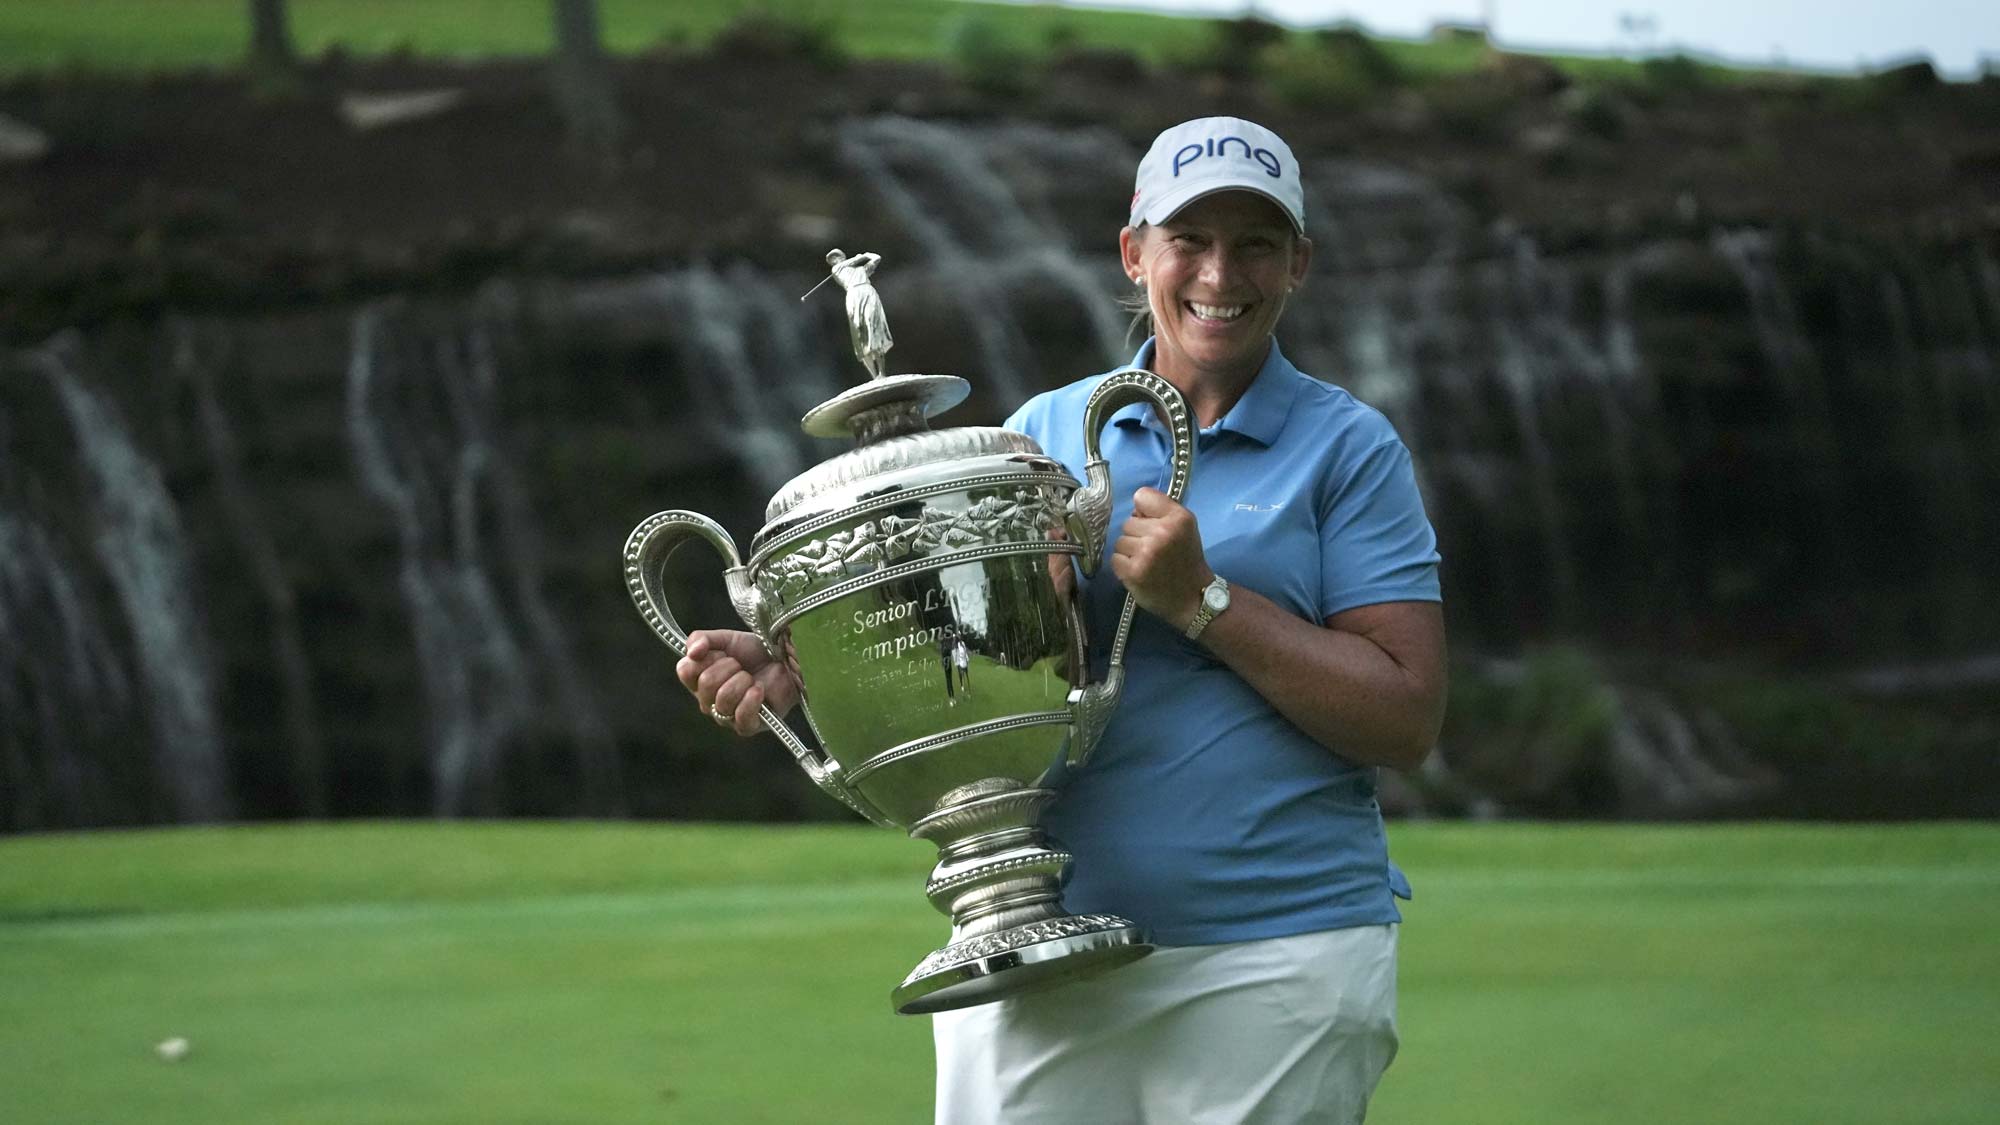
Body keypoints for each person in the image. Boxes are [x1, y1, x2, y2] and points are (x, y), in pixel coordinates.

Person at [677, 116, 1446, 1124]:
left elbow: (1405, 718)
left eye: (1254, 242)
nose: (1221, 272)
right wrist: (811, 663)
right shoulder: (1040, 436)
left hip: (1275, 955)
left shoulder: (1349, 449)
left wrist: (1205, 604)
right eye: (1190, 241)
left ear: (1297, 263)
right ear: (1134, 254)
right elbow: (959, 660)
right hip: (1040, 949)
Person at [825, 248, 894, 379]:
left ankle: (882, 373)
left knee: (875, 329)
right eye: (832, 259)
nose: (835, 260)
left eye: (837, 256)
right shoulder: (837, 269)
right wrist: (859, 257)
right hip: (854, 295)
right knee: (860, 335)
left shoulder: (860, 269)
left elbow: (876, 257)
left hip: (867, 291)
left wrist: (866, 255)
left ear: (843, 256)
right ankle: (874, 375)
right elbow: (854, 261)